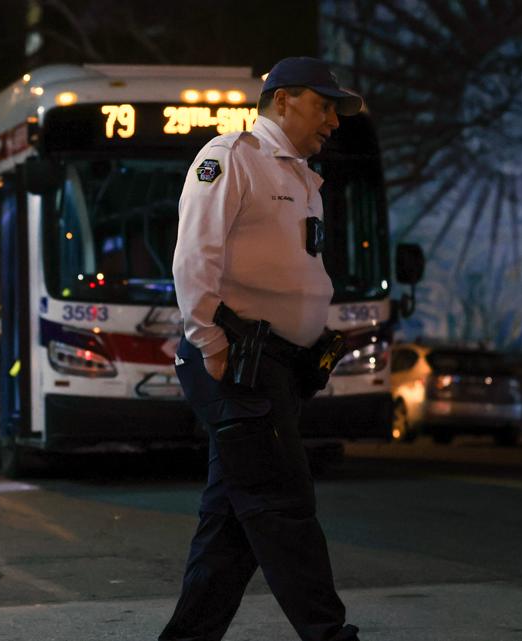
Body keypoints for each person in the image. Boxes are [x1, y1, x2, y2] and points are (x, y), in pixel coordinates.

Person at [161, 57, 364, 641]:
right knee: (282, 506)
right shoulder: (232, 157)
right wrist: (210, 343)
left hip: (276, 367)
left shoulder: (302, 177)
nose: (333, 121)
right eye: (323, 106)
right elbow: (194, 256)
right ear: (283, 100)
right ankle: (330, 635)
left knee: (230, 524)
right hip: (240, 361)